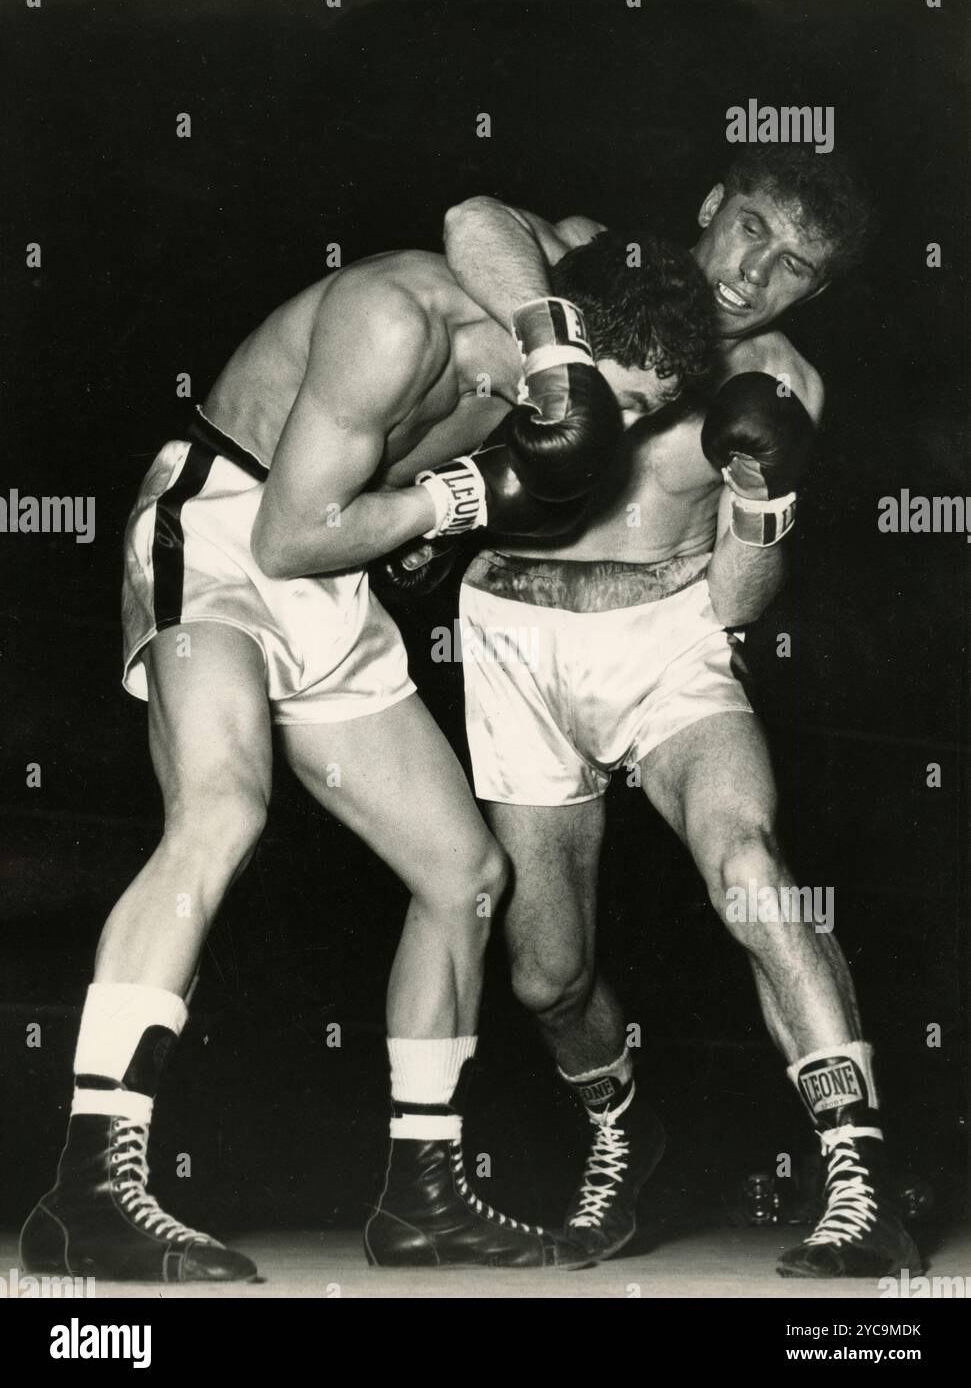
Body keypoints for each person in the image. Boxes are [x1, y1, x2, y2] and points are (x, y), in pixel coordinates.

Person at [20, 234, 715, 1281]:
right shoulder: (396, 318)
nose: (609, 432)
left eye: (640, 412)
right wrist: (469, 501)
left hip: (334, 586)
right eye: (609, 397)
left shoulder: (541, 340)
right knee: (222, 810)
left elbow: (516, 220)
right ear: (555, 341)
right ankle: (86, 1189)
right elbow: (286, 539)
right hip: (224, 533)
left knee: (466, 876)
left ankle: (423, 1195)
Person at [440, 147, 921, 1278]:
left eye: (794, 266)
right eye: (751, 229)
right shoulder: (585, 263)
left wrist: (759, 497)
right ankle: (623, 1136)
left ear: (816, 291)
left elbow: (738, 606)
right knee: (545, 976)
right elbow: (469, 215)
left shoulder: (784, 386)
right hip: (510, 636)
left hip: (666, 641)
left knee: (748, 863)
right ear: (708, 206)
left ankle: (857, 1181)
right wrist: (554, 339)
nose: (756, 276)